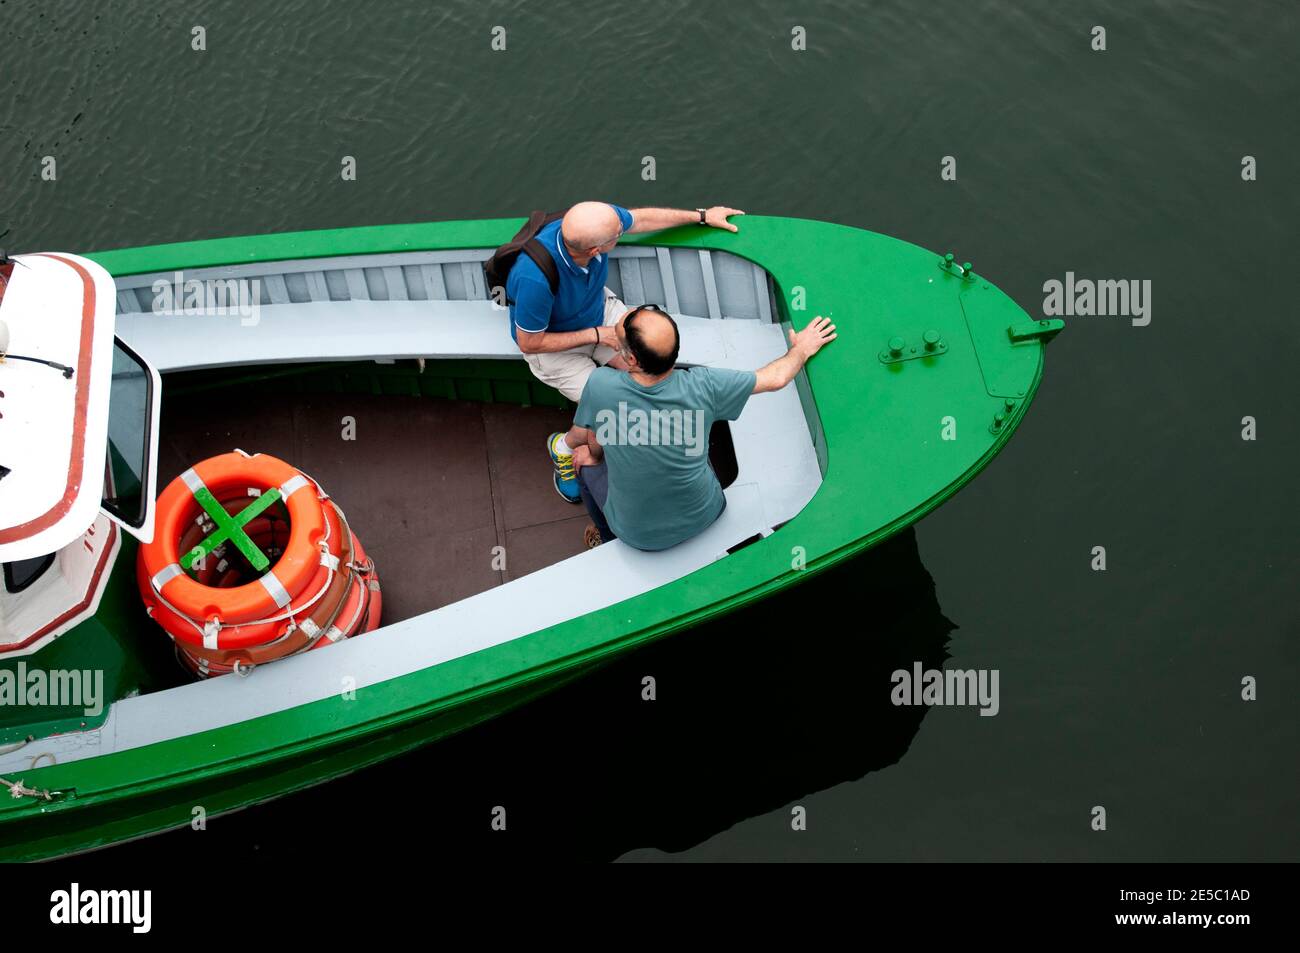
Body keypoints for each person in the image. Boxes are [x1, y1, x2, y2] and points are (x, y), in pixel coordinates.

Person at [506, 200, 744, 502]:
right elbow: (528, 342)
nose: (624, 231)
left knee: (650, 371)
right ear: (595, 251)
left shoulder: (591, 226)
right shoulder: (533, 279)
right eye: (618, 234)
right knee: (609, 408)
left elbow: (640, 219)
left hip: (599, 317)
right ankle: (563, 449)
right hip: (556, 349)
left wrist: (702, 216)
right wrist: (595, 336)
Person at [570, 306, 836, 551]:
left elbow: (579, 439)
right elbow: (776, 378)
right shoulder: (704, 385)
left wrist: (590, 450)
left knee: (582, 457)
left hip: (638, 535)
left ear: (630, 359)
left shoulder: (601, 384)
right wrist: (801, 349)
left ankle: (605, 538)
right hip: (706, 512)